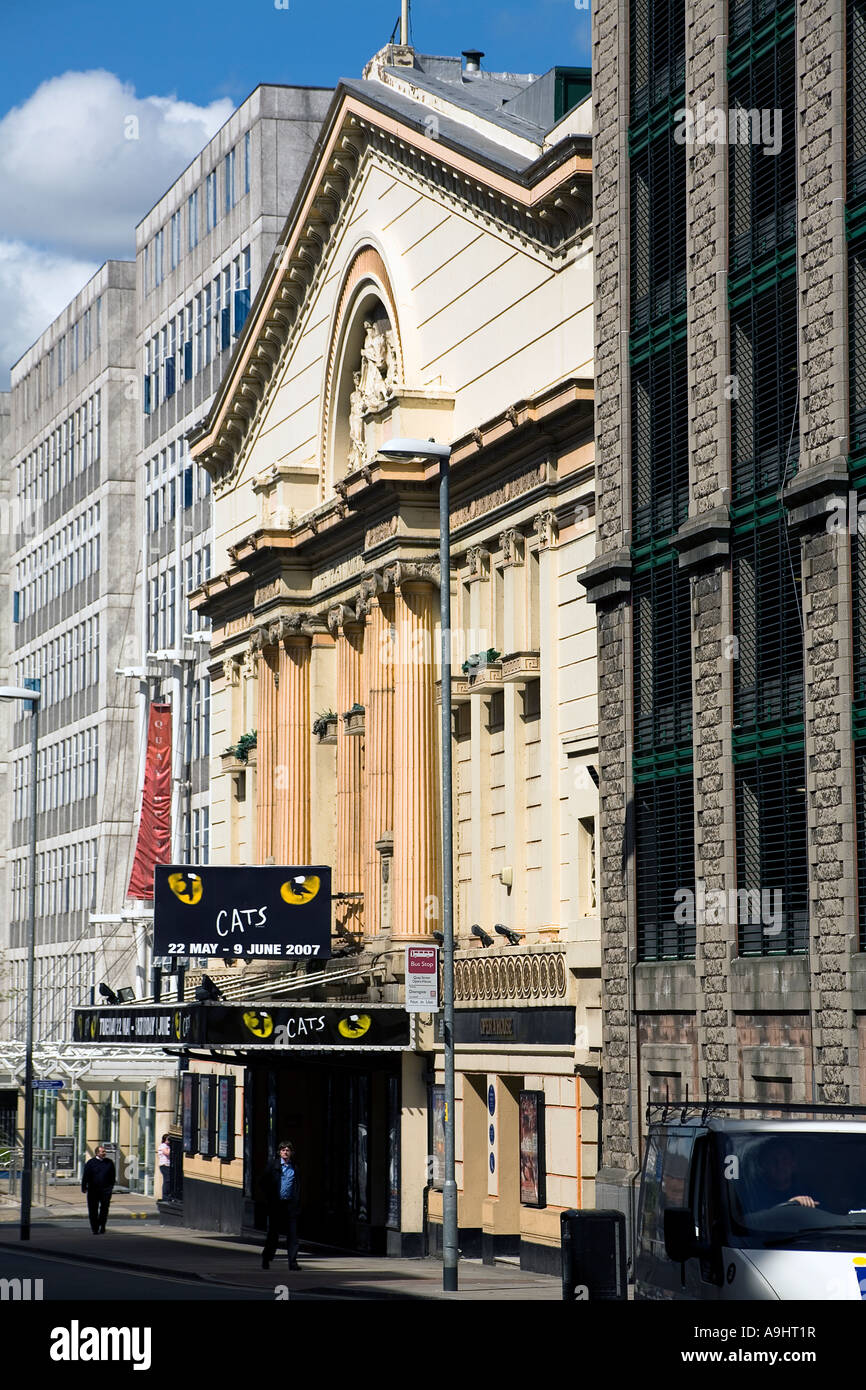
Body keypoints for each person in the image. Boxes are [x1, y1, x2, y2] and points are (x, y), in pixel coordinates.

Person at [260, 1139, 301, 1270]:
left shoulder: (295, 1167)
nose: (285, 1152)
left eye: (288, 1150)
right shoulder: (273, 1166)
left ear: (291, 1153)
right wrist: (270, 1198)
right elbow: (263, 1182)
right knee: (273, 1234)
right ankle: (266, 1258)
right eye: (283, 1150)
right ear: (279, 1152)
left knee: (293, 1235)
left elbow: (298, 1185)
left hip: (290, 1205)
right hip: (276, 1205)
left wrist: (297, 1201)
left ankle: (293, 1262)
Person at [747, 1139, 819, 1212]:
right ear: (764, 1165)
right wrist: (791, 1204)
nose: (780, 1166)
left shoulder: (807, 1192)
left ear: (793, 1164)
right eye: (773, 1160)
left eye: (785, 1159)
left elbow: (824, 1217)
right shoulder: (754, 1194)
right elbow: (754, 1220)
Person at [81, 1143, 116, 1234]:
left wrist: (111, 1186)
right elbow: (86, 1175)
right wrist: (84, 1186)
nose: (104, 1153)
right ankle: (94, 1228)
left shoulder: (109, 1162)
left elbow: (113, 1175)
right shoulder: (90, 1163)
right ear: (97, 1153)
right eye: (102, 1151)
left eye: (105, 1151)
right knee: (93, 1209)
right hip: (93, 1189)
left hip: (105, 1190)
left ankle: (102, 1225)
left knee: (104, 1208)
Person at [158, 1133, 171, 1200]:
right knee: (167, 1180)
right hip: (164, 1165)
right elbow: (167, 1153)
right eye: (168, 1139)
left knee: (168, 1180)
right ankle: (165, 1196)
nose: (169, 1141)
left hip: (168, 1165)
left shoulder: (168, 1146)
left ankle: (168, 1195)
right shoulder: (163, 1146)